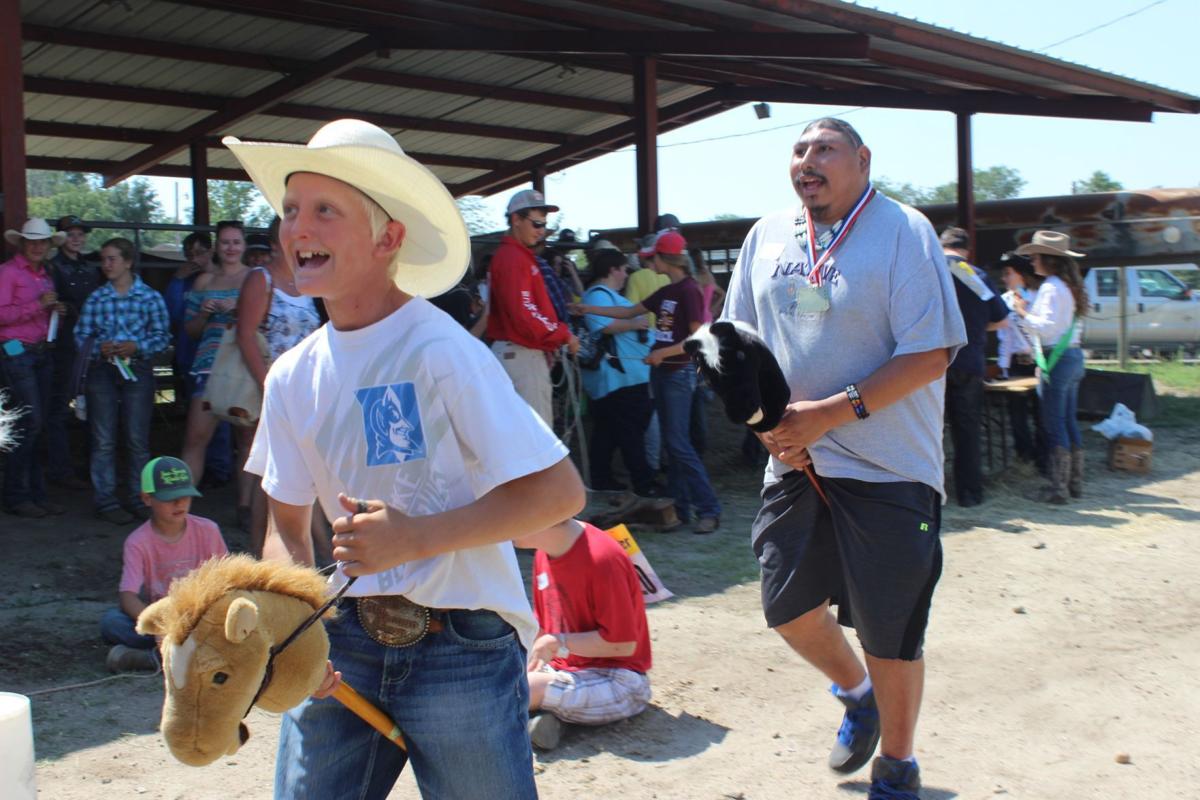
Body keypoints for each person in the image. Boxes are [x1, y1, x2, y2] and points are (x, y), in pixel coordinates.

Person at [225, 118, 585, 799]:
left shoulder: (440, 351)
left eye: (326, 210)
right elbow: (287, 528)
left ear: (388, 237)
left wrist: (415, 538)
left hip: (461, 650)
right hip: (343, 643)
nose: (298, 227)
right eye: (292, 210)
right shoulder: (292, 376)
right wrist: (294, 629)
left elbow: (559, 494)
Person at [721, 118, 966, 799]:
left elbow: (932, 352)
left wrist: (827, 415)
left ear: (862, 159)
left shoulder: (904, 231)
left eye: (824, 149)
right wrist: (768, 427)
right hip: (796, 463)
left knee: (891, 627)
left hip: (889, 468)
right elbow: (737, 342)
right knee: (785, 606)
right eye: (799, 150)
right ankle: (858, 696)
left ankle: (897, 763)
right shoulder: (766, 236)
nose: (808, 160)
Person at [574, 230, 721, 534]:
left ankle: (708, 509)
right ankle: (681, 510)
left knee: (678, 444)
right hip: (664, 373)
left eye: (650, 257)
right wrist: (588, 308)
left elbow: (698, 338)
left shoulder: (688, 291)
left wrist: (663, 353)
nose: (645, 263)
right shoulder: (669, 291)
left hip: (676, 374)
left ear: (665, 259)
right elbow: (629, 312)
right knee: (674, 443)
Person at [516, 517, 652, 751]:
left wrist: (559, 642)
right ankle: (553, 718)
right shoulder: (545, 550)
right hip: (563, 667)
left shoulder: (602, 559)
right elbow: (543, 625)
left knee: (521, 689)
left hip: (618, 678)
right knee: (499, 679)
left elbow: (622, 645)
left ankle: (543, 714)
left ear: (548, 515)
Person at [234, 216, 323, 558]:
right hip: (274, 389)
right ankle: (265, 551)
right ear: (277, 242)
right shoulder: (262, 279)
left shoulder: (306, 281)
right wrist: (267, 386)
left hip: (303, 391)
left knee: (292, 471)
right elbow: (245, 336)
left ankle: (296, 551)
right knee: (272, 473)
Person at [74, 237, 171, 524]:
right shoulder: (97, 297)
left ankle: (138, 498)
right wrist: (98, 348)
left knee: (136, 438)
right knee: (103, 439)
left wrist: (136, 346)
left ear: (128, 262)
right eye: (104, 259)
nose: (106, 265)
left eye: (112, 259)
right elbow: (81, 334)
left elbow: (163, 336)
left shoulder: (150, 297)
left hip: (137, 369)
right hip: (103, 370)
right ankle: (106, 500)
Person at [100, 456, 227, 673]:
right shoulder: (137, 541)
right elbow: (127, 595)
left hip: (203, 614)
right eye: (170, 498)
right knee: (112, 622)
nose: (180, 504)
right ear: (147, 499)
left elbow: (228, 579)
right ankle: (178, 654)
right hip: (163, 617)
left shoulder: (208, 530)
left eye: (185, 497)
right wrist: (159, 625)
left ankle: (155, 658)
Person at [180, 220, 255, 527]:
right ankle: (180, 507)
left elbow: (263, 322)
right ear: (217, 246)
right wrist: (205, 312)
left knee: (248, 441)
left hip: (244, 365)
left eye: (236, 242)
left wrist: (238, 309)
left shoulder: (256, 278)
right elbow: (191, 330)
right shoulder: (203, 282)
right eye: (225, 242)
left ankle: (245, 507)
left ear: (244, 245)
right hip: (208, 364)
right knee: (195, 437)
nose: (231, 248)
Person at [485, 189, 578, 427]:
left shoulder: (516, 256)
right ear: (516, 219)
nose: (541, 231)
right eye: (536, 224)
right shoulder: (513, 259)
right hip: (522, 355)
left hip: (518, 351)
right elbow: (524, 313)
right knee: (538, 438)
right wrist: (562, 333)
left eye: (544, 225)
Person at [1011, 231, 1089, 503]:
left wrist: (1022, 312)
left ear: (1047, 259)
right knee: (1067, 421)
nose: (1031, 262)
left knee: (1054, 424)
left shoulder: (1051, 287)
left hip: (1057, 359)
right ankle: (1074, 483)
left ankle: (1058, 489)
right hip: (1072, 356)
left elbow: (1043, 329)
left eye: (1034, 256)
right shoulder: (1069, 287)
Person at [0, 218, 68, 518]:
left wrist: (55, 312)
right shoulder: (8, 273)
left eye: (42, 241)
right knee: (31, 422)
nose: (38, 246)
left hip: (38, 351)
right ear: (23, 244)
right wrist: (39, 305)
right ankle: (18, 494)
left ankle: (32, 494)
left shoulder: (45, 276)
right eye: (33, 241)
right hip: (15, 350)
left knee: (34, 424)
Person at [578, 248, 656, 495]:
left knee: (609, 432)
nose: (626, 275)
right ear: (612, 270)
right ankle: (644, 484)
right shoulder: (598, 295)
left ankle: (601, 478)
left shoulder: (602, 295)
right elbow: (601, 326)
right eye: (623, 269)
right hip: (620, 376)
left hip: (621, 376)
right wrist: (634, 323)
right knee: (631, 431)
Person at [940, 227, 1009, 507]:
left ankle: (931, 494)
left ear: (940, 245)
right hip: (969, 362)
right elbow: (1002, 320)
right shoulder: (973, 275)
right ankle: (970, 494)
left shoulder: (926, 269)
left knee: (930, 431)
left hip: (927, 365)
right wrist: (975, 329)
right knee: (967, 431)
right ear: (966, 250)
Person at [45, 214, 101, 490]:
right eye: (71, 233)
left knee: (93, 403)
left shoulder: (91, 267)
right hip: (64, 344)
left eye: (80, 234)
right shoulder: (52, 268)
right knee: (59, 406)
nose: (76, 238)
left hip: (88, 342)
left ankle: (90, 466)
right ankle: (61, 469)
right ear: (62, 237)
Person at [996, 253, 1045, 467]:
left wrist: (1022, 311)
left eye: (1008, 274)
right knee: (1017, 414)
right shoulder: (1005, 300)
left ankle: (1044, 458)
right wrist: (1003, 367)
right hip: (1017, 362)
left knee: (1042, 412)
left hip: (1039, 362)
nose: (1004, 279)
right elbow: (1004, 337)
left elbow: (1043, 331)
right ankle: (1024, 456)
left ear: (1021, 275)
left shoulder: (1039, 297)